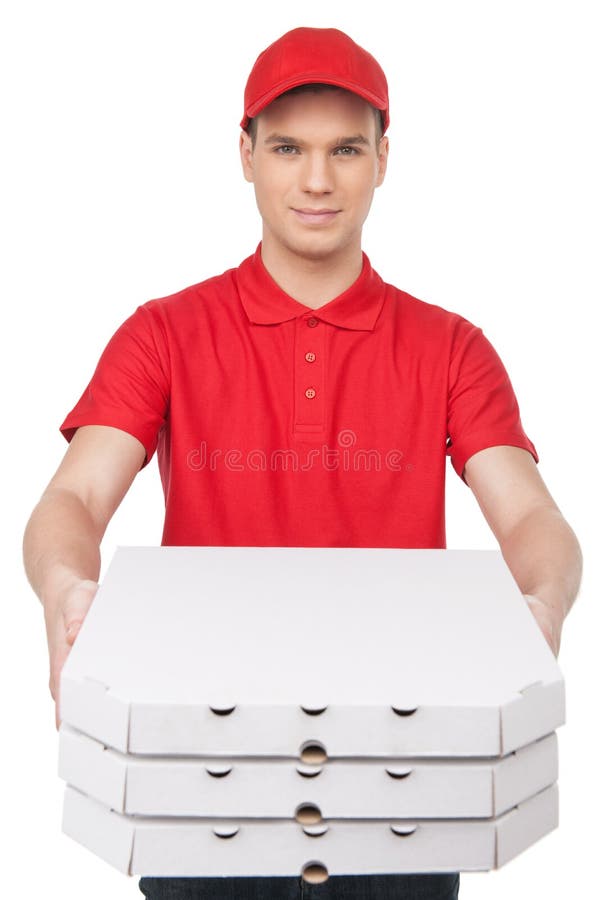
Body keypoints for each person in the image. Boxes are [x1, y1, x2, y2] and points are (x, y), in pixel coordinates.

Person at [22, 25, 582, 900]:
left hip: (402, 766)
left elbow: (530, 516)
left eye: (345, 149)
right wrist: (65, 591)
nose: (317, 180)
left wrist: (542, 604)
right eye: (287, 147)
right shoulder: (164, 332)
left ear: (384, 159)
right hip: (202, 760)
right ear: (244, 155)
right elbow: (75, 499)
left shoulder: (452, 346)